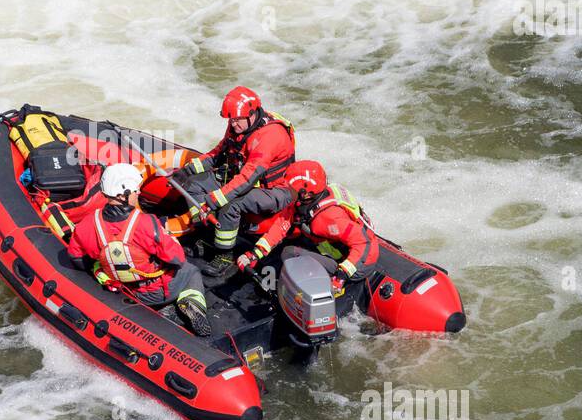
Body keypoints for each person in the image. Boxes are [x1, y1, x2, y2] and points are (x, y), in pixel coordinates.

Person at [66, 163, 214, 337]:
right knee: (190, 270)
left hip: (125, 290)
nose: (139, 193)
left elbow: (76, 258)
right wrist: (168, 237)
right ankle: (192, 302)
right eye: (135, 190)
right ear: (123, 194)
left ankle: (168, 310)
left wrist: (104, 264)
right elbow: (177, 258)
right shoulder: (147, 224)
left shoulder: (86, 225)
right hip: (156, 290)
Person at [176, 86, 296, 276]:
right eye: (231, 119)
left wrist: (215, 199)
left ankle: (225, 254)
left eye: (237, 119)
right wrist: (188, 170)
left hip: (273, 190)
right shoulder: (238, 124)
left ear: (252, 114)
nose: (233, 124)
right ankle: (204, 232)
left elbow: (248, 177)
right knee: (192, 184)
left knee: (231, 203)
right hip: (241, 176)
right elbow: (219, 152)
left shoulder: (271, 136)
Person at [236, 159, 379, 311]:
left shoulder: (327, 219)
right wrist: (254, 254)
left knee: (290, 253)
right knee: (293, 242)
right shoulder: (305, 203)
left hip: (358, 263)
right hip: (339, 246)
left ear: (305, 194)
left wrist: (341, 276)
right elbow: (280, 227)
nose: (287, 190)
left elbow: (364, 244)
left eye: (291, 188)